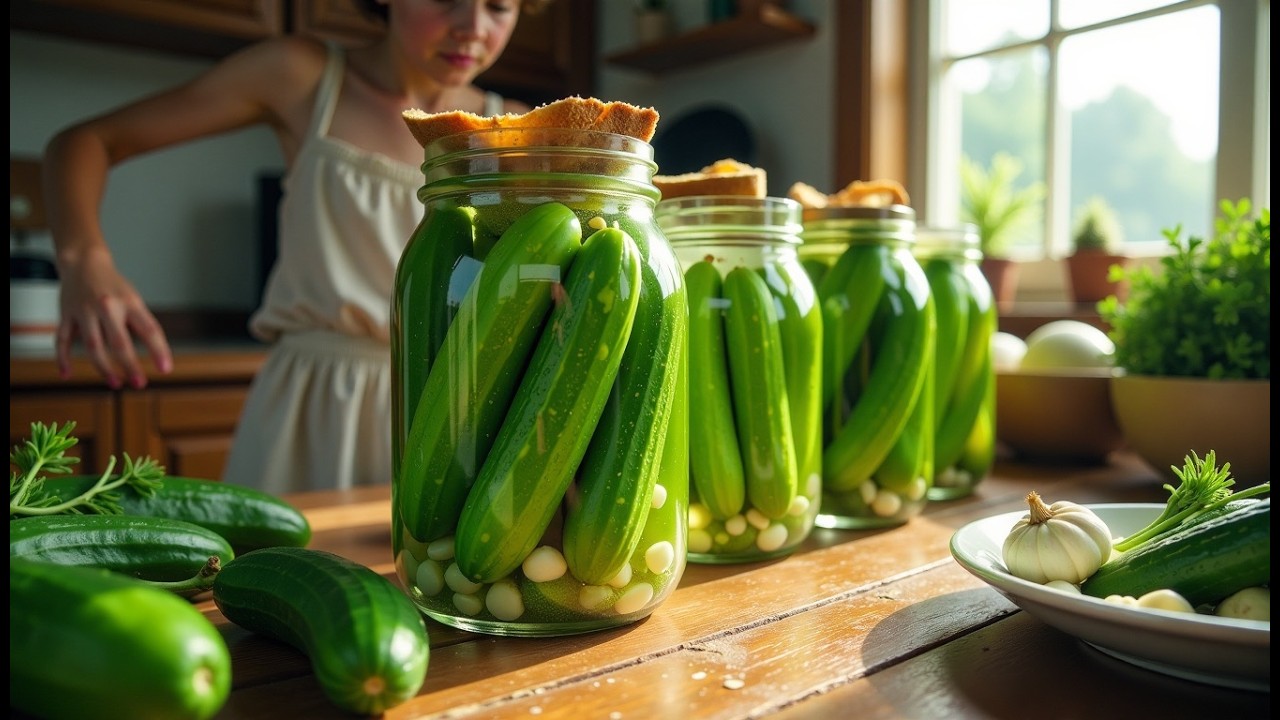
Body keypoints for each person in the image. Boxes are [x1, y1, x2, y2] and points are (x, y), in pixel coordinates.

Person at [42, 0, 553, 494]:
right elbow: (86, 141)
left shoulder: (517, 132)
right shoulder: (302, 76)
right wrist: (85, 259)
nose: (472, 25)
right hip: (311, 404)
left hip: (447, 403)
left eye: (499, 7)